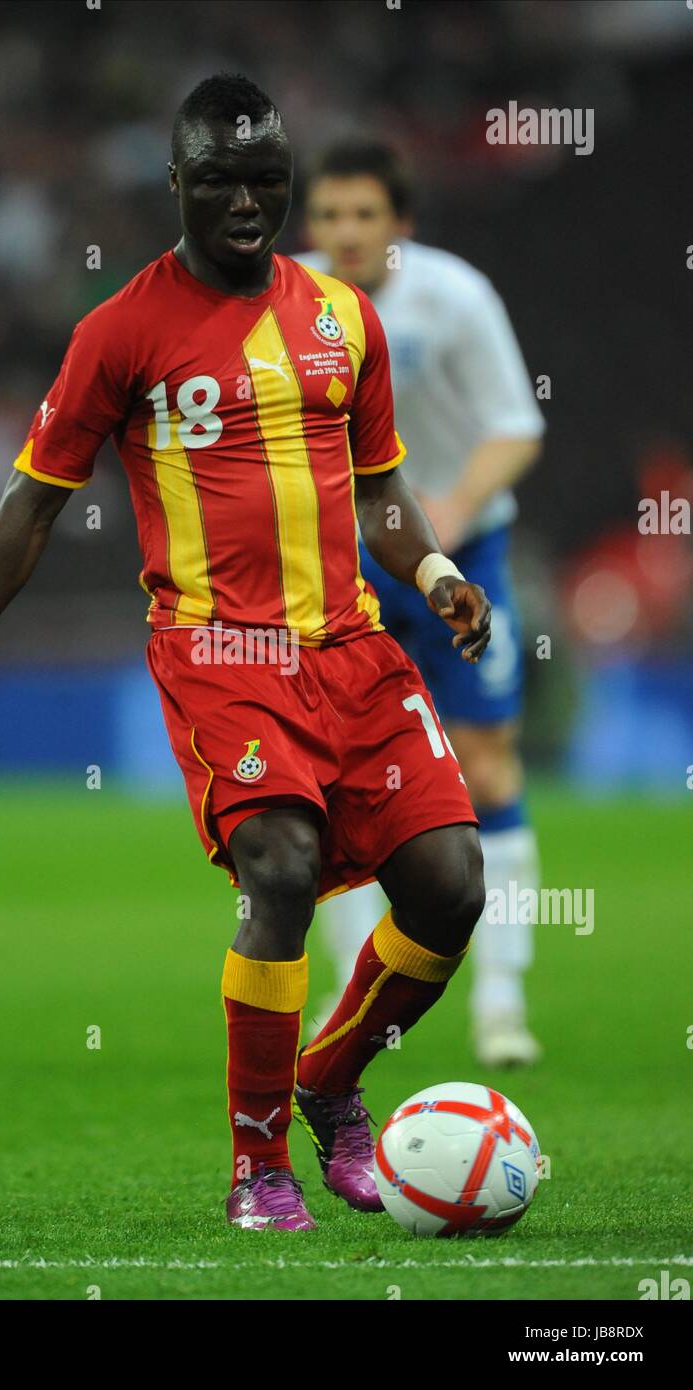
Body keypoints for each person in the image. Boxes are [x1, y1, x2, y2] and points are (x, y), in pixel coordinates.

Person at [0, 75, 492, 1232]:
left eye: (267, 180)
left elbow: (382, 489)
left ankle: (328, 1079)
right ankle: (257, 1165)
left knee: (453, 887)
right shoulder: (118, 333)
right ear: (176, 185)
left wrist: (435, 573)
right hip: (219, 650)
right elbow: (27, 509)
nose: (249, 203)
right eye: (221, 182)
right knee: (280, 866)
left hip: (354, 646)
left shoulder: (342, 318)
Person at [300, 141, 545, 1068]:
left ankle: (499, 1000)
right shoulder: (290, 304)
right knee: (328, 783)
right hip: (340, 567)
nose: (346, 233)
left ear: (399, 222)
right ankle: (350, 986)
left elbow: (515, 425)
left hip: (460, 548)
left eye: (365, 215)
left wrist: (441, 519)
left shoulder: (457, 298)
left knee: (484, 765)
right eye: (329, 216)